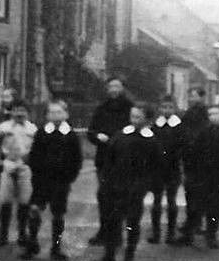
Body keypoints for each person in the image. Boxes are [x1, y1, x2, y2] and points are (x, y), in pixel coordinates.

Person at [100, 102, 160, 261]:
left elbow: (155, 165)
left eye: (138, 117)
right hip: (115, 186)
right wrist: (106, 181)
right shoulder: (120, 136)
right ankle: (109, 253)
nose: (134, 120)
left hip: (136, 188)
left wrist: (146, 186)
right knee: (112, 221)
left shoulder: (151, 140)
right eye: (132, 116)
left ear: (147, 119)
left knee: (132, 222)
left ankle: (130, 253)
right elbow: (109, 160)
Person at [23, 99, 82, 260]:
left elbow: (76, 159)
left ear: (66, 114)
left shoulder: (71, 135)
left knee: (58, 215)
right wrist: (36, 175)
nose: (55, 115)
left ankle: (56, 249)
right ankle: (32, 244)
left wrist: (69, 177)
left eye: (59, 112)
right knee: (35, 210)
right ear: (47, 115)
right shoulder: (42, 133)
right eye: (52, 112)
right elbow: (34, 156)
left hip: (61, 182)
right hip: (41, 180)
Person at [182, 104, 219, 250]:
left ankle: (211, 235)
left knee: (216, 207)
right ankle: (189, 234)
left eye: (216, 113)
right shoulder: (202, 133)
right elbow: (192, 153)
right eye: (210, 114)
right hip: (201, 175)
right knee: (197, 206)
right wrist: (189, 172)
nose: (213, 117)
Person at [86, 77, 134, 246]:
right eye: (111, 86)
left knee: (119, 196)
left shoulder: (130, 108)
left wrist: (118, 139)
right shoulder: (101, 108)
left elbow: (134, 130)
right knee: (103, 196)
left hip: (123, 159)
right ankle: (103, 231)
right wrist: (97, 136)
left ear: (122, 88)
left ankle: (117, 234)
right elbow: (91, 131)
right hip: (104, 159)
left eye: (117, 86)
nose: (113, 89)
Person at [0, 98, 38, 248]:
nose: (19, 113)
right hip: (8, 165)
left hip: (25, 167)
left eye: (22, 110)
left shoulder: (32, 129)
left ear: (27, 112)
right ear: (12, 111)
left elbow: (38, 148)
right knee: (5, 200)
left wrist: (33, 161)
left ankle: (22, 233)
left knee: (24, 201)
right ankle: (3, 234)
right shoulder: (3, 127)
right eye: (16, 110)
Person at [148, 94, 185, 245]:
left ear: (174, 108)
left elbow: (182, 146)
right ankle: (156, 233)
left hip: (172, 168)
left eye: (170, 107)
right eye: (164, 107)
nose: (167, 110)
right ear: (160, 108)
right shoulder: (155, 125)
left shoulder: (179, 126)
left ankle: (170, 233)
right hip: (157, 168)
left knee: (171, 200)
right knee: (156, 201)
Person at [177, 86, 210, 242]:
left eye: (194, 96)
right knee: (191, 193)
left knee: (194, 193)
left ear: (202, 98)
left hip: (196, 158)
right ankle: (193, 224)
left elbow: (196, 134)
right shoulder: (192, 112)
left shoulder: (201, 113)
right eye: (190, 95)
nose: (191, 98)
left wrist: (188, 143)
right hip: (191, 157)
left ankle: (192, 227)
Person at [0, 86, 17, 217]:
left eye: (7, 97)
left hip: (13, 153)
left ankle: (6, 209)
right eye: (3, 97)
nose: (4, 100)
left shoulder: (18, 115)